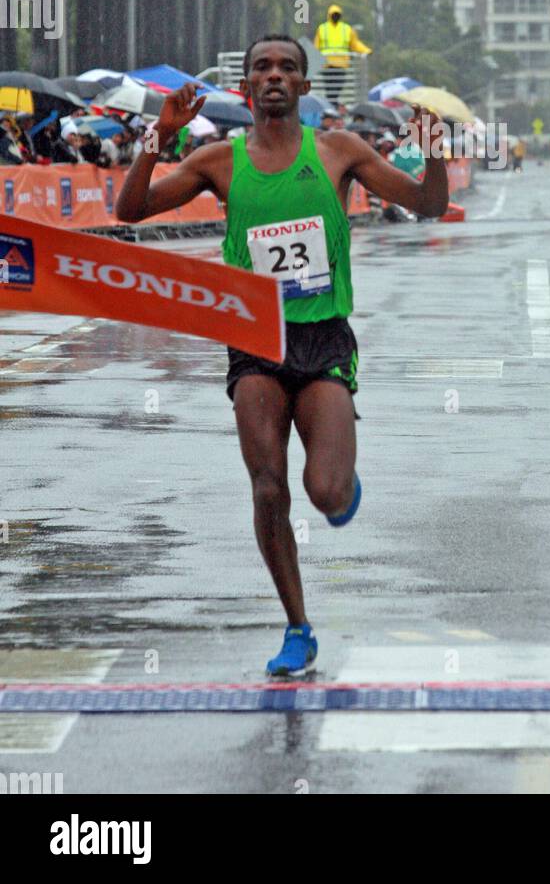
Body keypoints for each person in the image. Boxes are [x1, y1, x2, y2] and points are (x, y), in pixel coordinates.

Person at [115, 34, 448, 677]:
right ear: (245, 87)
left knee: (322, 491)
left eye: (287, 68)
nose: (274, 76)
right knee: (268, 488)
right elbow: (131, 210)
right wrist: (160, 133)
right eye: (262, 67)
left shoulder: (338, 152)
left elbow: (428, 204)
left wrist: (433, 151)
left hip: (323, 340)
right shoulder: (219, 160)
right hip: (254, 343)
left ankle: (341, 480)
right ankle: (298, 626)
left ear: (303, 87)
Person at [314, 4, 371, 105]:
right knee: (330, 90)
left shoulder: (347, 29)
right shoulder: (322, 28)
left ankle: (332, 106)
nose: (335, 16)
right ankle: (332, 106)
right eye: (333, 14)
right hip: (327, 65)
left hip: (341, 64)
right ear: (329, 15)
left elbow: (355, 44)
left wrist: (366, 51)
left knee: (337, 88)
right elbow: (316, 47)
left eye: (337, 14)